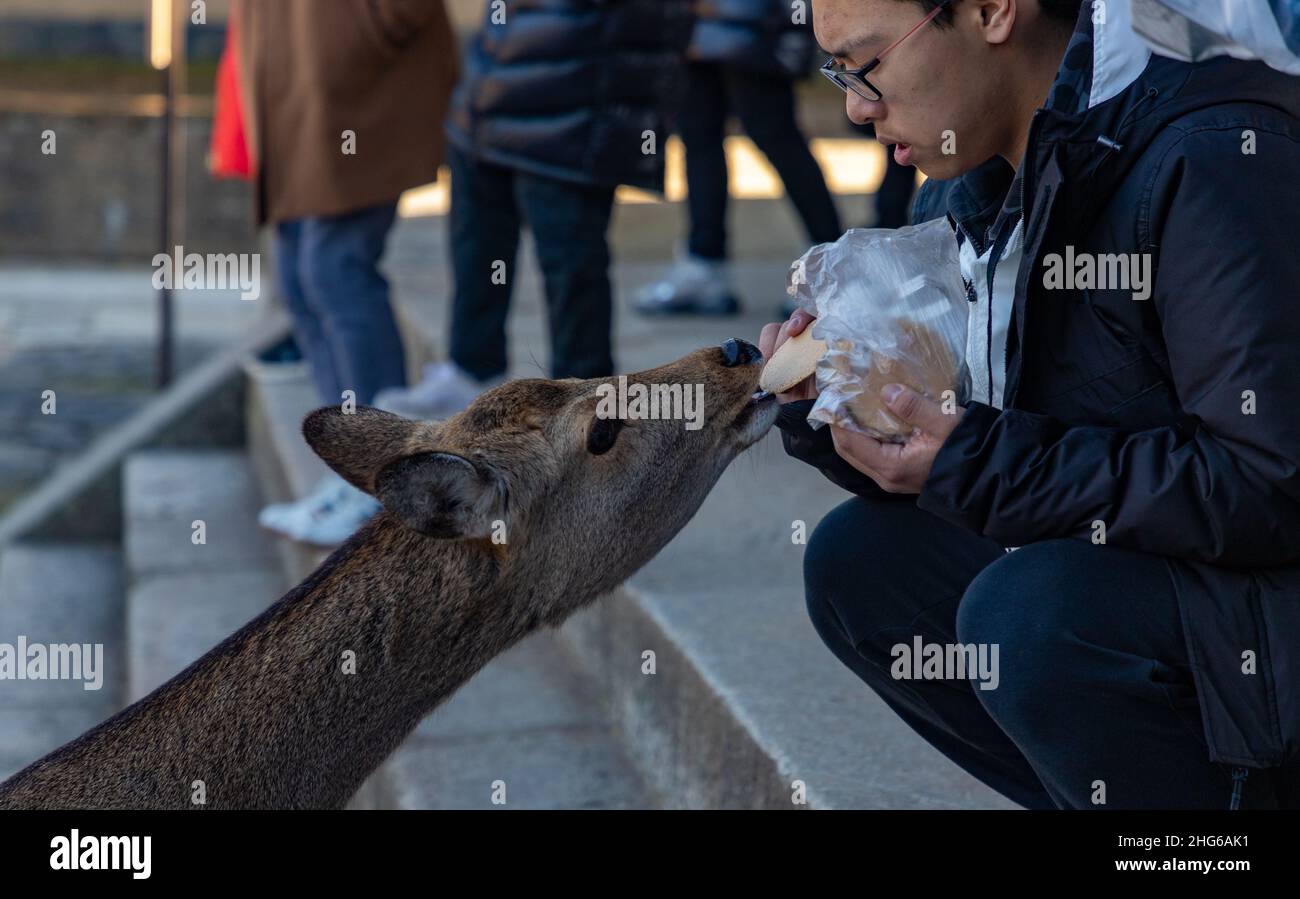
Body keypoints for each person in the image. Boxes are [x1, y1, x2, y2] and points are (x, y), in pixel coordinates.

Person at [760, 0, 1300, 809]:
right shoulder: (965, 187)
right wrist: (849, 406)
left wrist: (980, 461)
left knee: (1030, 620)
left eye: (867, 66)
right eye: (836, 73)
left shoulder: (1209, 153)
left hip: (1266, 614)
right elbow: (991, 459)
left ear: (991, 11)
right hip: (1160, 582)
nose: (856, 106)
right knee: (860, 562)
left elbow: (1267, 480)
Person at [373, 0, 694, 421]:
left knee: (570, 265)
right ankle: (471, 370)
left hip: (577, 89)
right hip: (492, 81)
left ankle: (585, 411)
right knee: (477, 242)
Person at [235, 0, 459, 546]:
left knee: (335, 268)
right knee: (301, 279)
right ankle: (350, 466)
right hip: (299, 95)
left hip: (357, 96)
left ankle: (382, 473)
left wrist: (364, 30)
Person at [634, 0, 842, 317]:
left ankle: (831, 263)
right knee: (699, 140)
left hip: (755, 26)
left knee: (776, 137)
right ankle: (705, 264)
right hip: (690, 31)